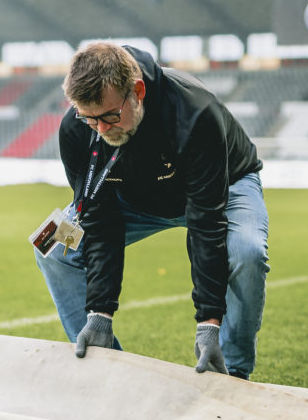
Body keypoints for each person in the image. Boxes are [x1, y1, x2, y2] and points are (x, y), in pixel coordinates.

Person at [34, 42, 270, 379]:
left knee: (246, 253)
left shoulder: (194, 113)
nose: (101, 129)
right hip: (131, 198)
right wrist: (100, 312)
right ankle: (105, 367)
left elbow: (206, 222)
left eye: (110, 116)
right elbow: (100, 221)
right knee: (52, 244)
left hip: (223, 187)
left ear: (138, 91)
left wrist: (209, 323)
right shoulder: (76, 128)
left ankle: (232, 371)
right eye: (90, 119)